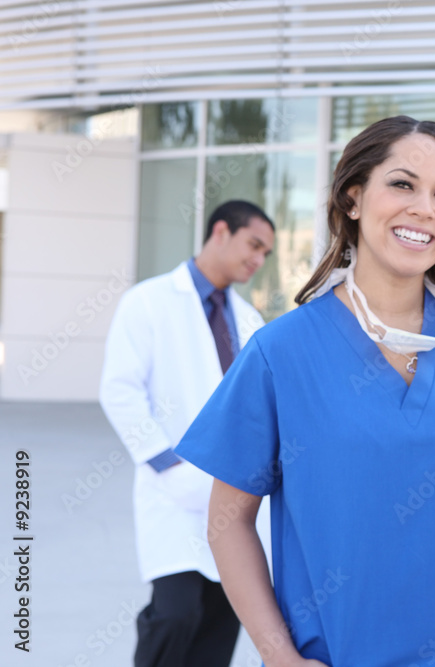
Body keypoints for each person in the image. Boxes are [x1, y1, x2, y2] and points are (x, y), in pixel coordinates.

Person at [174, 116, 435, 667]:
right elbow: (228, 521)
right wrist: (279, 656)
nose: (423, 208)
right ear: (354, 198)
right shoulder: (282, 352)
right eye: (403, 184)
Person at [99, 200, 275, 666]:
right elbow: (119, 389)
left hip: (234, 496)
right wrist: (165, 462)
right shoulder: (148, 301)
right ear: (221, 232)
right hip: (173, 491)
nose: (258, 260)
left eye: (266, 254)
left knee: (221, 620)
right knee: (175, 613)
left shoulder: (249, 320)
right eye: (254, 245)